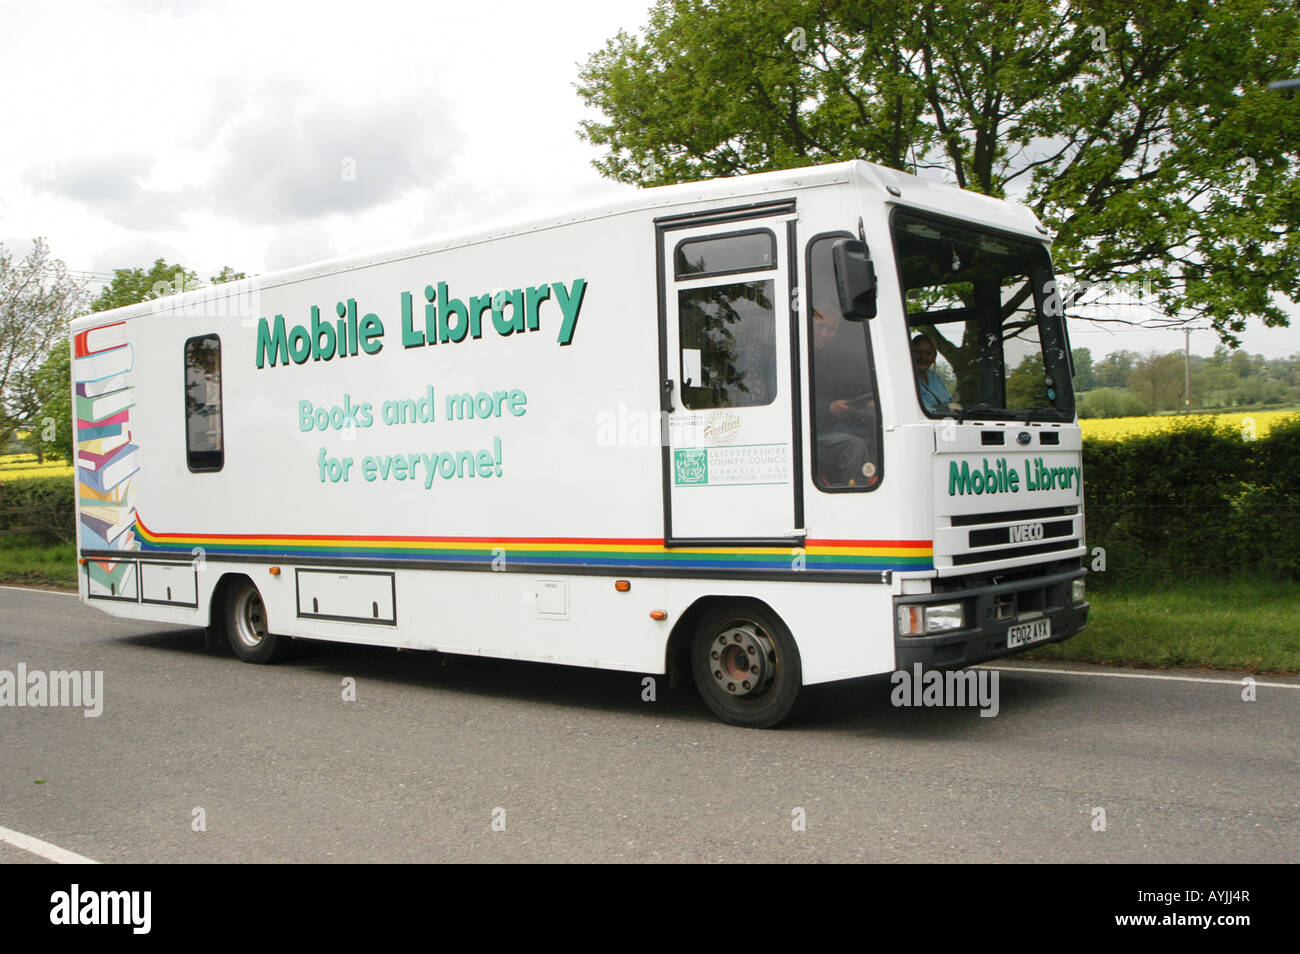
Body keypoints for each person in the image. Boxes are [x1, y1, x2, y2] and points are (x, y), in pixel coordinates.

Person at [812, 308, 877, 487]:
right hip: (808, 430)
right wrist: (829, 408)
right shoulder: (794, 354)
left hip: (832, 426)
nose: (825, 333)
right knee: (854, 444)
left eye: (831, 329)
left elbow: (847, 388)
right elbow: (793, 401)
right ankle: (855, 491)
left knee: (875, 432)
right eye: (820, 326)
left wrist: (866, 401)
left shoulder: (832, 358)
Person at [911, 333, 954, 409]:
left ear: (934, 357)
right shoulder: (907, 379)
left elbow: (950, 402)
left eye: (928, 353)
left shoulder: (935, 377)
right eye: (918, 352)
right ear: (910, 353)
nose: (923, 357)